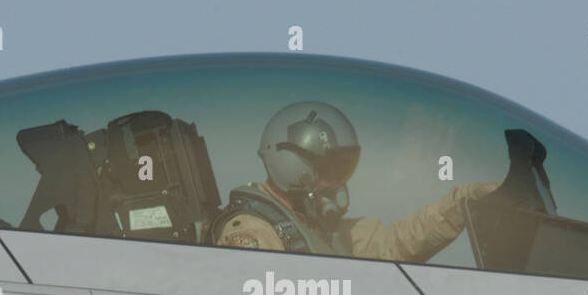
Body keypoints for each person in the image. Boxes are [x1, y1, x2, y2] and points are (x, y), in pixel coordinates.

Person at [210, 101, 500, 262]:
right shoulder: (255, 234)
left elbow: (395, 242)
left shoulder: (315, 228)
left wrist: (463, 202)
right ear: (293, 166)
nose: (338, 181)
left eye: (343, 169)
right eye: (330, 169)